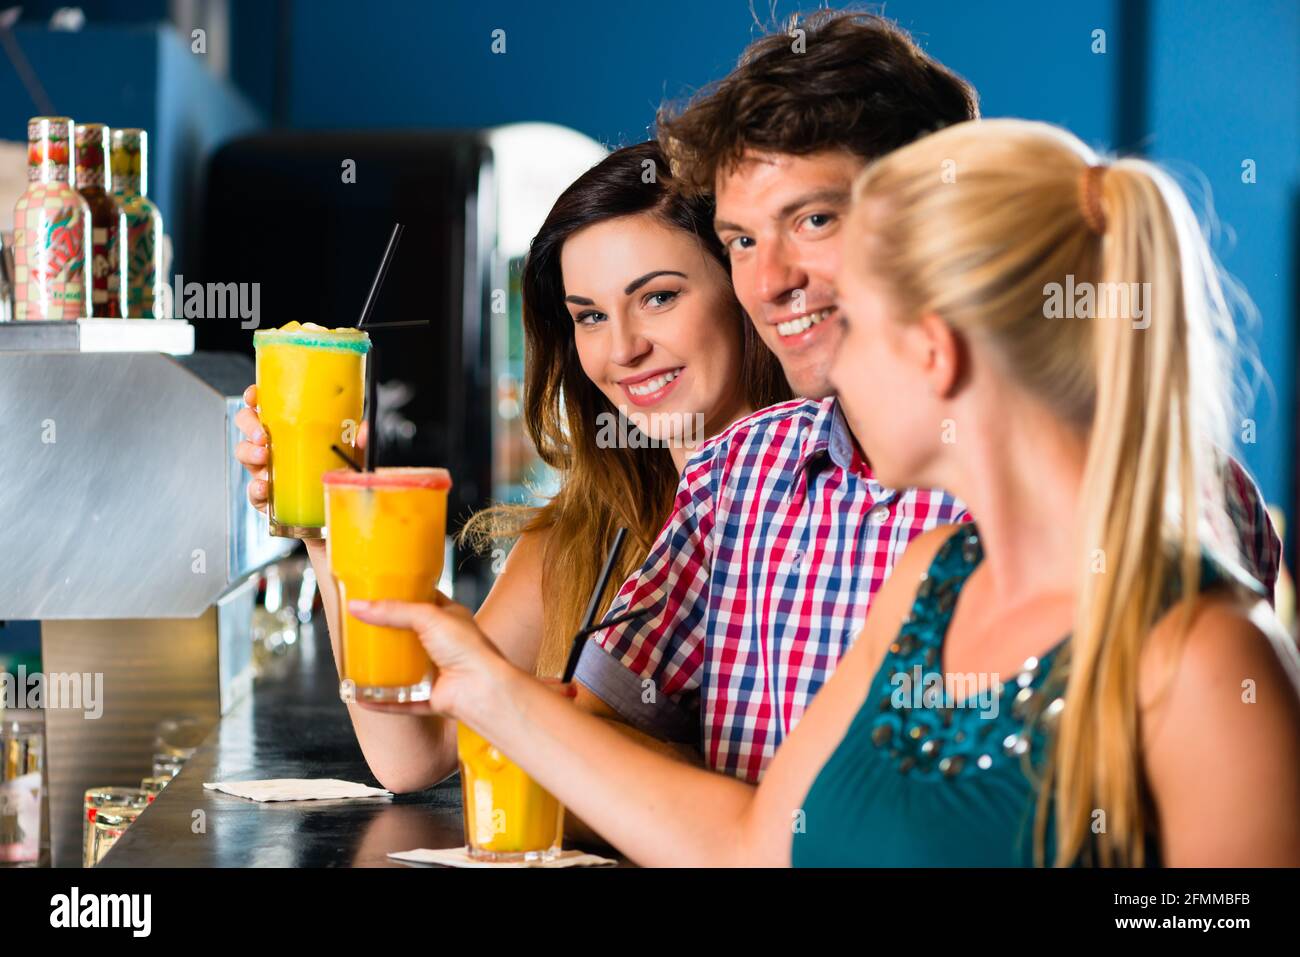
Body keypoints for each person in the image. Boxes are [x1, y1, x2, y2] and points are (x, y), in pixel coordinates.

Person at [349, 117, 1300, 867]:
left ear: (936, 354)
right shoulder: (937, 577)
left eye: (859, 331)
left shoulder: (1207, 655)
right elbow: (757, 844)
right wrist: (485, 687)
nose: (814, 354)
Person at [567, 10, 1280, 784]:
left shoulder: (1155, 495)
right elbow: (601, 737)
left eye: (813, 219)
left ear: (936, 224)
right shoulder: (738, 471)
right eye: (740, 240)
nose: (769, 282)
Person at [234, 141, 790, 791]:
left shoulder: (840, 511)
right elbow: (418, 752)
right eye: (590, 316)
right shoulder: (579, 537)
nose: (623, 348)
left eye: (659, 297)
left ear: (743, 287)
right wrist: (331, 523)